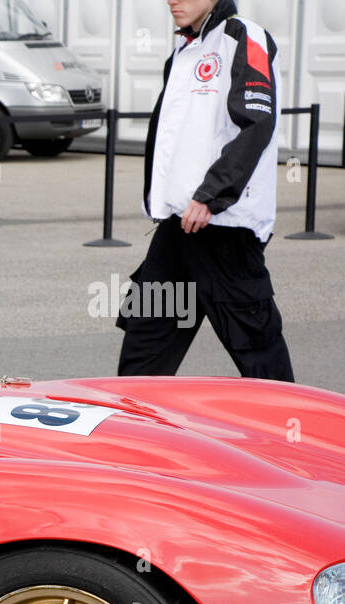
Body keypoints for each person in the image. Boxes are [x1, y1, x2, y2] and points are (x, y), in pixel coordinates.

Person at [116, 0, 293, 381]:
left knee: (257, 349)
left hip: (225, 227)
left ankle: (292, 432)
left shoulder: (244, 37)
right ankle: (135, 427)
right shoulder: (184, 50)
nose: (171, 0)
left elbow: (255, 124)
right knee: (144, 341)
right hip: (177, 226)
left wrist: (211, 195)